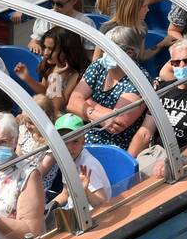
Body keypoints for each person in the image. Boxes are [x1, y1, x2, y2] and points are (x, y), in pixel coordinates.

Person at [66, 25, 157, 155]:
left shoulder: (139, 80)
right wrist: (96, 112)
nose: (104, 54)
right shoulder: (98, 66)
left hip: (112, 147)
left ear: (130, 52)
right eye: (103, 49)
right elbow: (72, 102)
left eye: (109, 50)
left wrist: (88, 103)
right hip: (81, 138)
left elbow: (116, 124)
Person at [44, 114, 113, 211]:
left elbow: (102, 203)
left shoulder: (88, 166)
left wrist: (85, 191)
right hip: (74, 210)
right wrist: (49, 207)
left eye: (75, 141)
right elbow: (66, 193)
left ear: (83, 141)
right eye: (64, 142)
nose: (69, 147)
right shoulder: (68, 160)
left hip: (93, 216)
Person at [16, 27, 90, 117]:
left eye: (51, 49)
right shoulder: (51, 65)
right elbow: (44, 90)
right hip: (46, 111)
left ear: (67, 50)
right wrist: (27, 78)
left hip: (59, 118)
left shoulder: (76, 74)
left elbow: (57, 106)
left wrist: (55, 77)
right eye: (44, 47)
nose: (45, 53)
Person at [102, 0, 173, 62]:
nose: (148, 10)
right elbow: (96, 59)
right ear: (132, 8)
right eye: (144, 6)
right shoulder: (108, 28)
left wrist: (161, 44)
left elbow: (141, 56)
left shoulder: (141, 27)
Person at [13, 0, 96, 55]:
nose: (55, 7)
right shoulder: (48, 16)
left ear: (73, 1)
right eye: (52, 3)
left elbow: (89, 54)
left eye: (59, 4)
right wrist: (35, 45)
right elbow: (34, 41)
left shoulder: (85, 23)